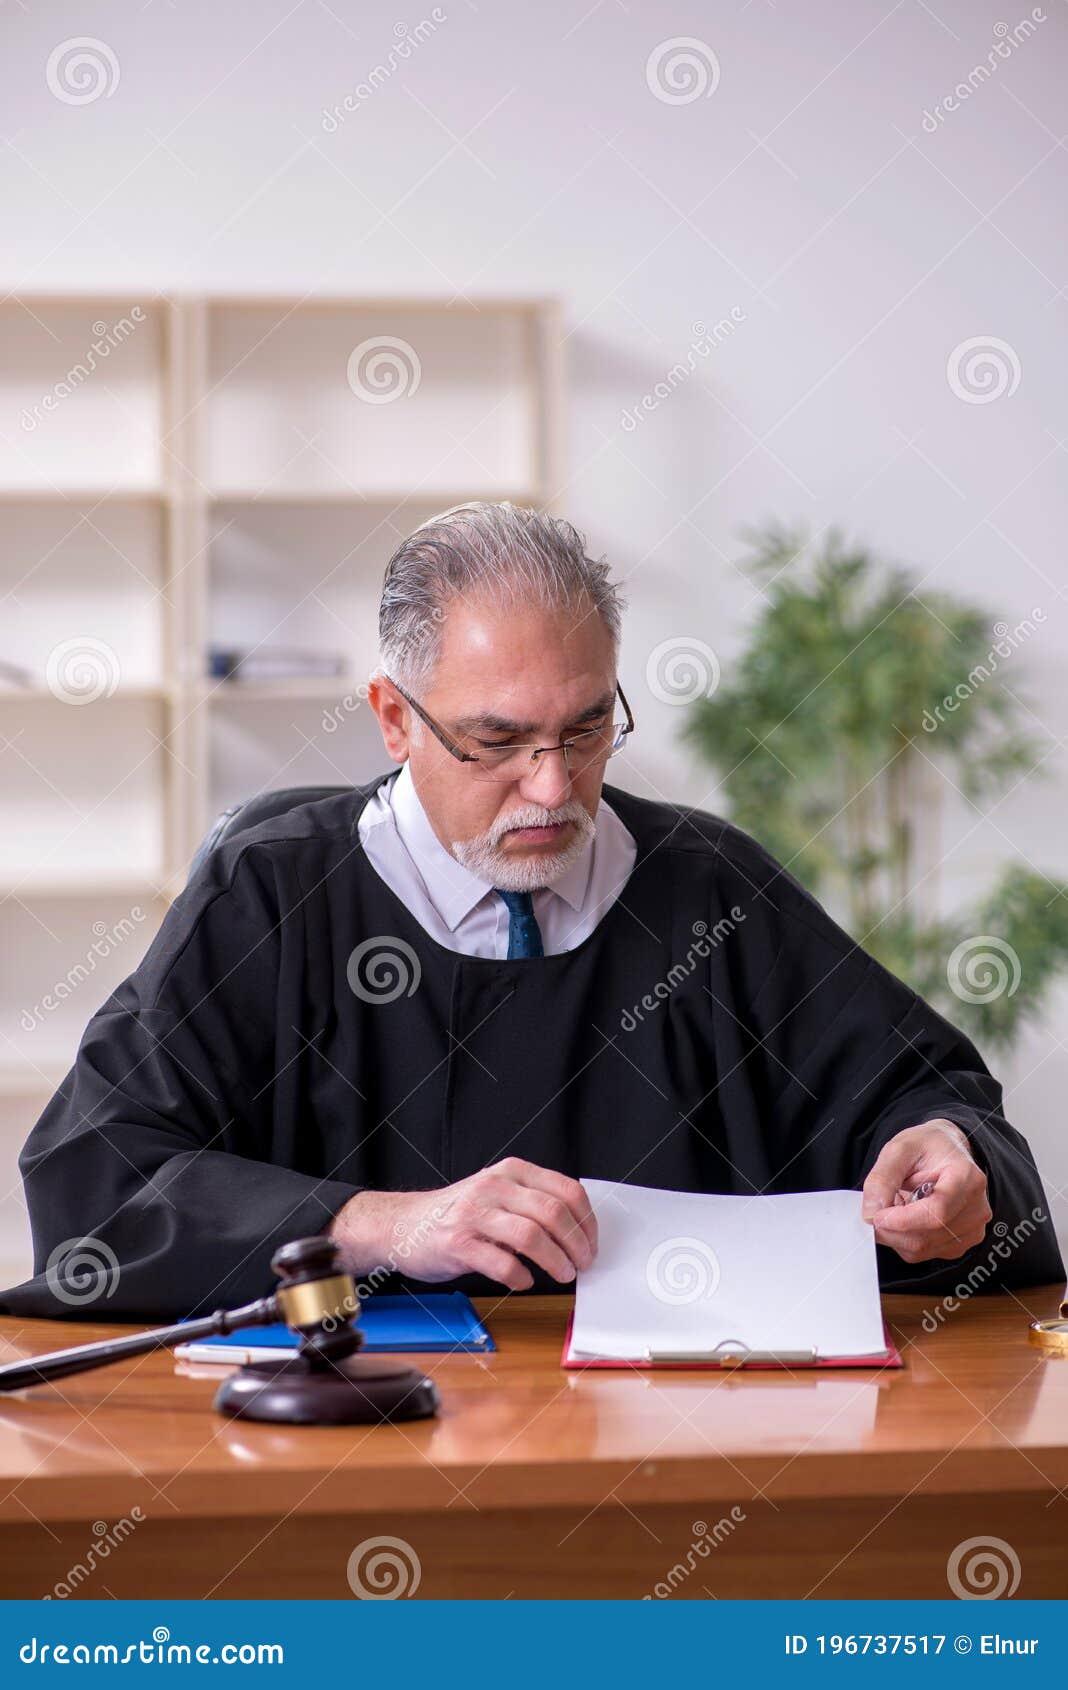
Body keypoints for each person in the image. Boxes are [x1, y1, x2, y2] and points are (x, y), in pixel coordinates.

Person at [2, 503, 1061, 1319]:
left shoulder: (710, 890)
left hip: (687, 1453)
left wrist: (945, 1153)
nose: (553, 789)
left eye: (588, 728)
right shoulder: (273, 891)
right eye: (497, 742)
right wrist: (385, 1224)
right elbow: (95, 1183)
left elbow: (942, 1110)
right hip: (347, 1455)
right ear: (392, 720)